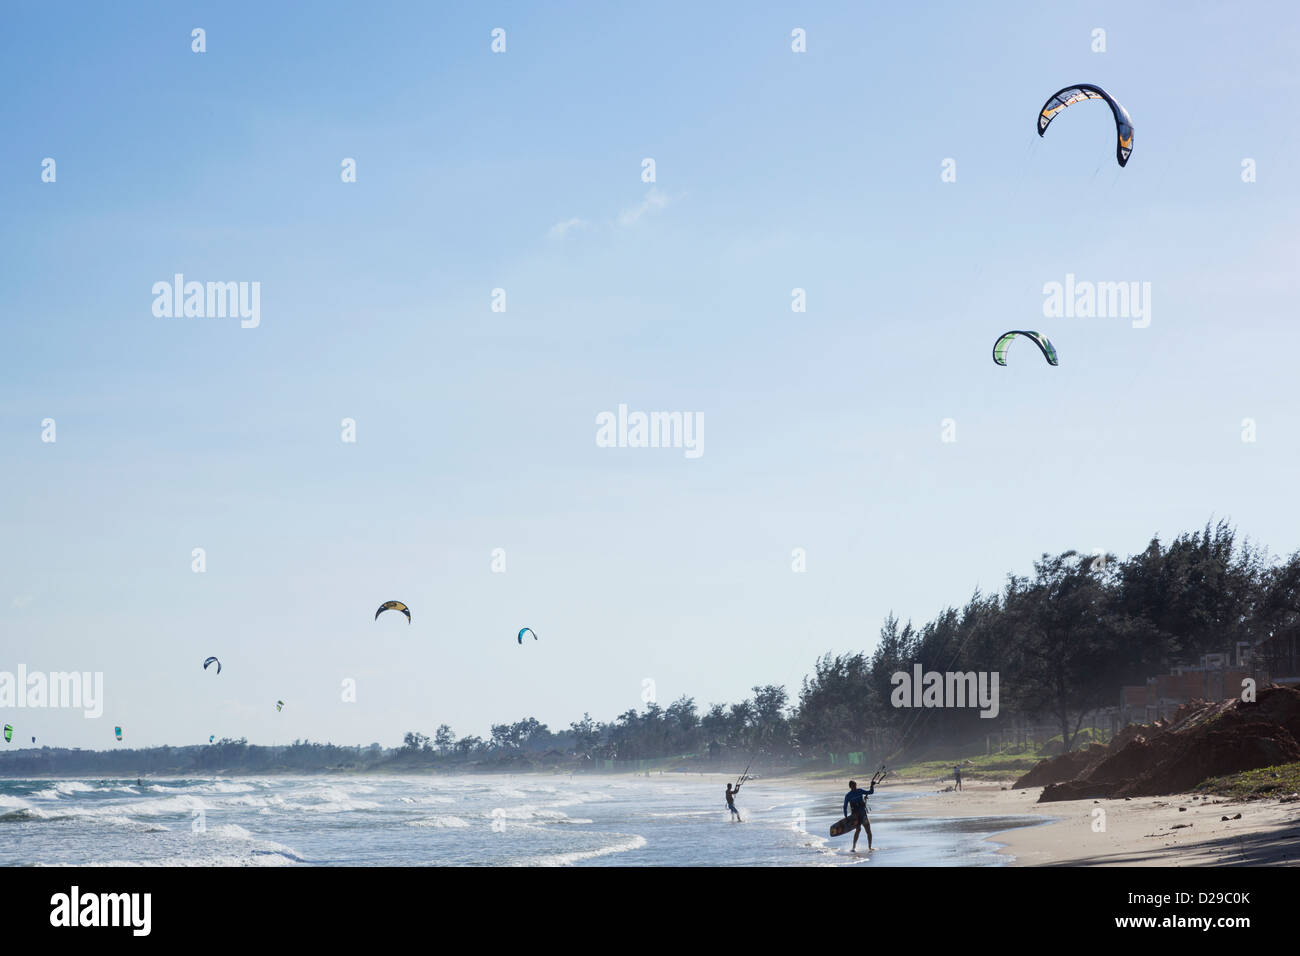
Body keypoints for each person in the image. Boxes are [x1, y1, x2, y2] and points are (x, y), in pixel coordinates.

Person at [843, 778, 875, 851]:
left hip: (863, 814)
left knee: (868, 831)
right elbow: (844, 807)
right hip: (855, 816)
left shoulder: (860, 791)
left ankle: (870, 847)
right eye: (853, 786)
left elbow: (870, 792)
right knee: (858, 830)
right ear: (850, 787)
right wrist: (846, 817)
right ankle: (853, 848)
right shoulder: (848, 795)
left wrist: (872, 785)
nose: (855, 787)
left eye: (855, 785)